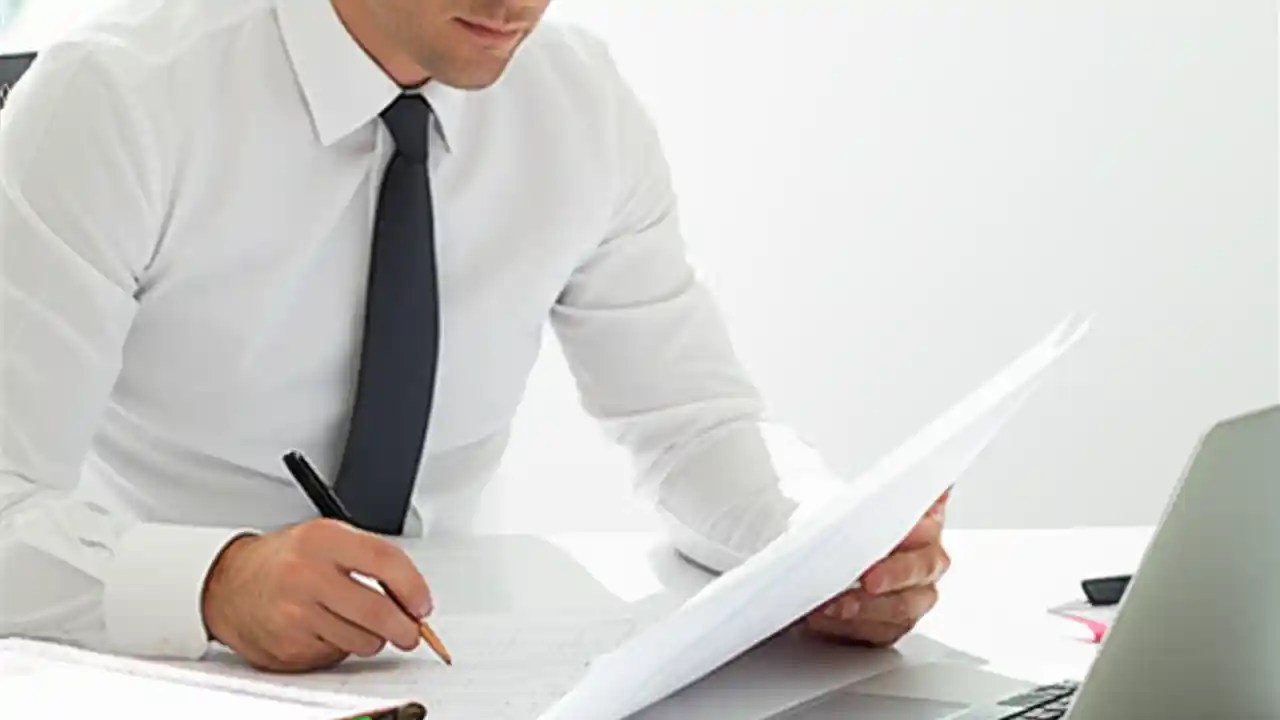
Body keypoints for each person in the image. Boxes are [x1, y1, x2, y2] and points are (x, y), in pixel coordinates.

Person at [0, 0, 951, 672]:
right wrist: (215, 582)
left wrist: (825, 552)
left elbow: (691, 425)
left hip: (448, 673)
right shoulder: (115, 100)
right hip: (157, 666)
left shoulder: (579, 102)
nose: (517, 2)